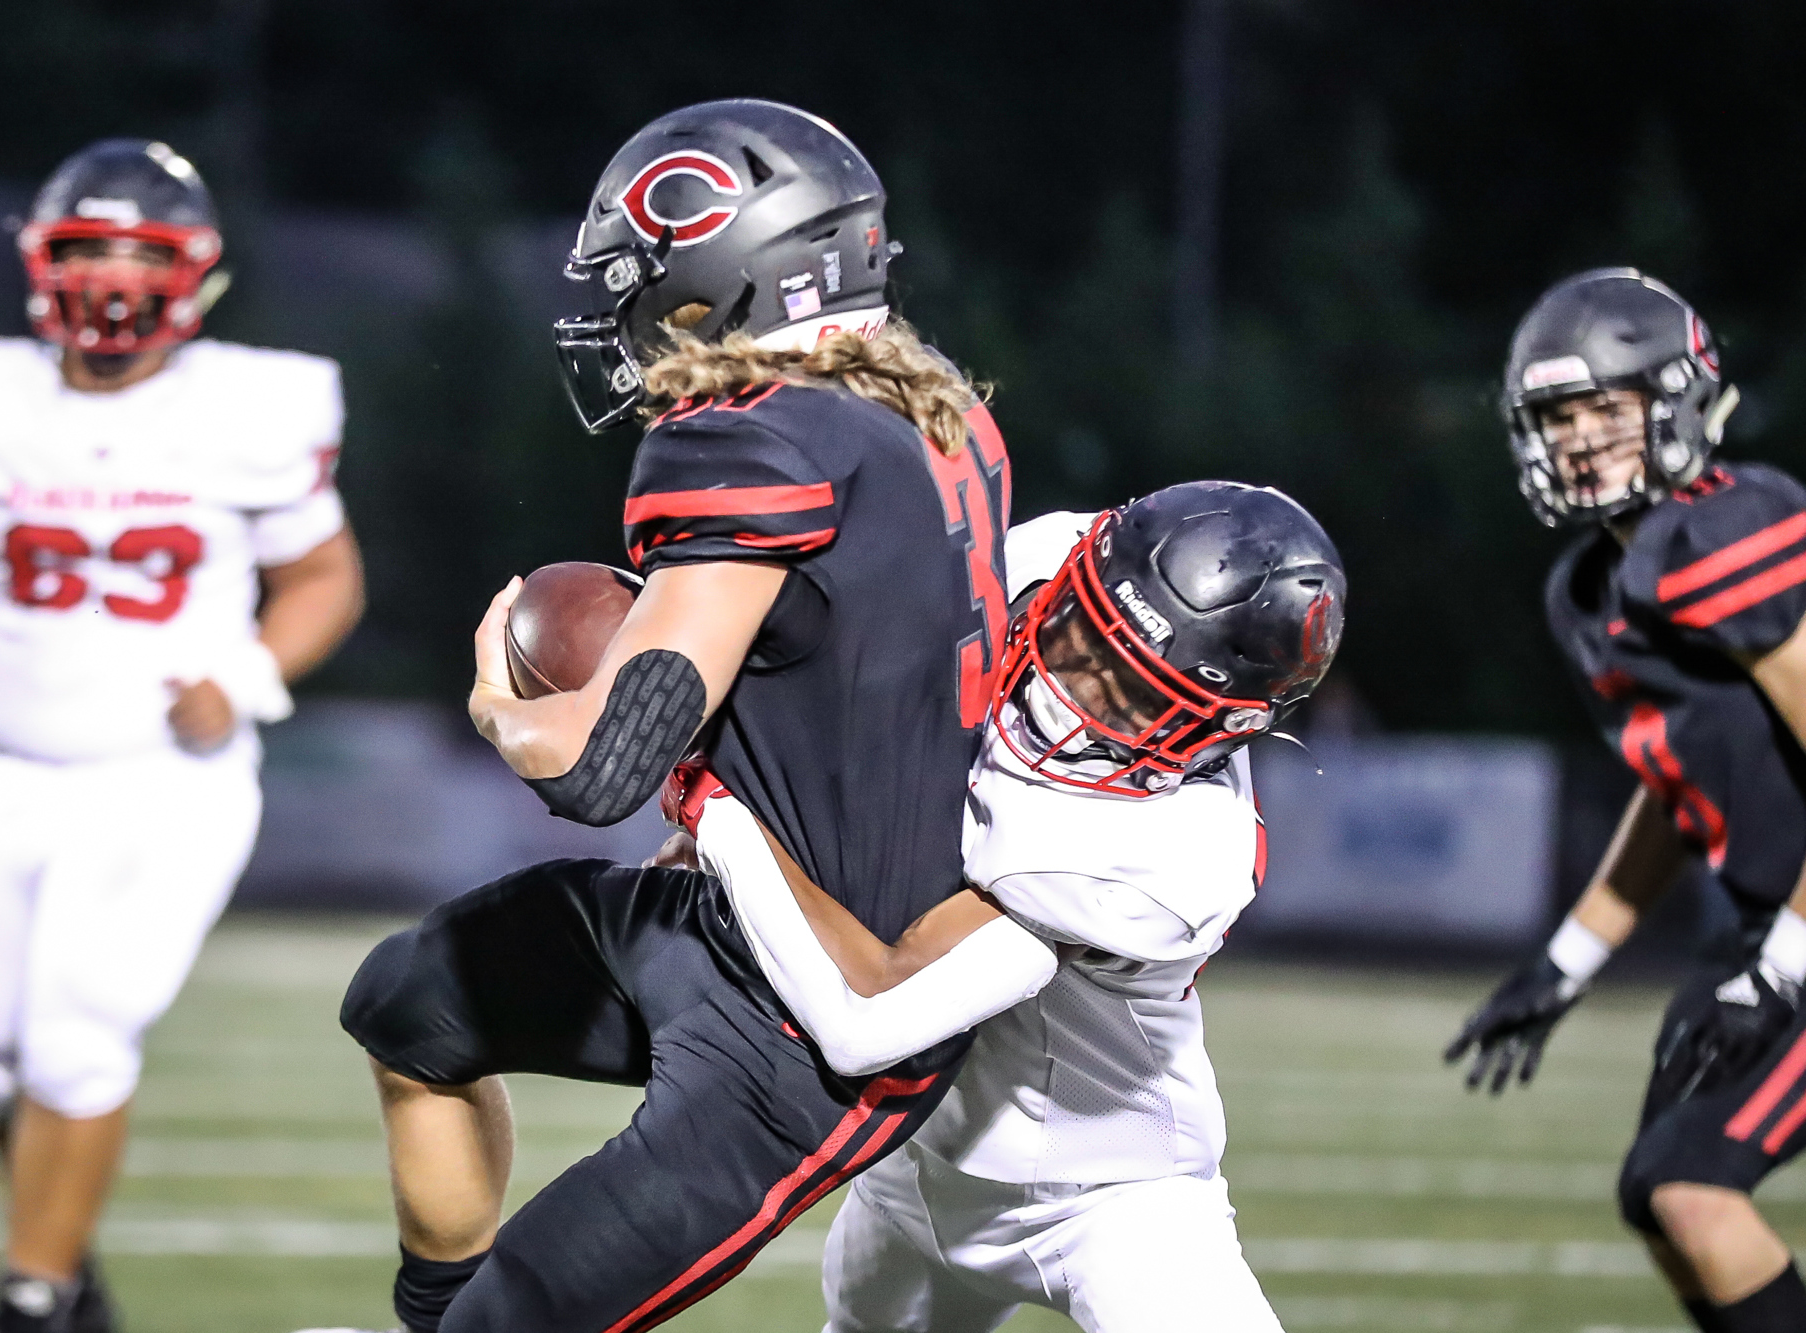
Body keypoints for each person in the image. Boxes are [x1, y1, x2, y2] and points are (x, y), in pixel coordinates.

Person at [330, 100, 1011, 1333]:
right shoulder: (931, 414)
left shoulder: (753, 442)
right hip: (745, 917)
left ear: (729, 274)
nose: (640, 320)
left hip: (813, 1022)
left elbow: (596, 767)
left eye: (649, 287)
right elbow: (841, 669)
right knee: (406, 1003)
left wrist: (497, 702)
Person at [0, 139, 364, 1333]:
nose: (115, 284)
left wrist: (247, 673)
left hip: (162, 777)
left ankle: (27, 1299)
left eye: (142, 258)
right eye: (89, 254)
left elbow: (325, 576)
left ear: (195, 273)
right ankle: (65, 1279)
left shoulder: (247, 407)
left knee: (76, 1034)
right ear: (41, 262)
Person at [678, 483, 1343, 1332]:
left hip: (1108, 1197)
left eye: (1127, 693)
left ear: (1227, 725)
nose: (1068, 686)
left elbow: (866, 1014)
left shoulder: (1177, 853)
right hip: (914, 1160)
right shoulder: (1039, 558)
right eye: (1081, 634)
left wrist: (714, 803)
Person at [1444, 268, 1806, 1332]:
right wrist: (1566, 961)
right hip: (1766, 925)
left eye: (1606, 407)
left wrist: (1784, 965)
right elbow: (1674, 784)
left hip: (1791, 934)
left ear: (1677, 399)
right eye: (1559, 417)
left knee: (1691, 1186)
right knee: (1659, 1194)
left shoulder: (1723, 534)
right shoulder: (1586, 590)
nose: (1580, 439)